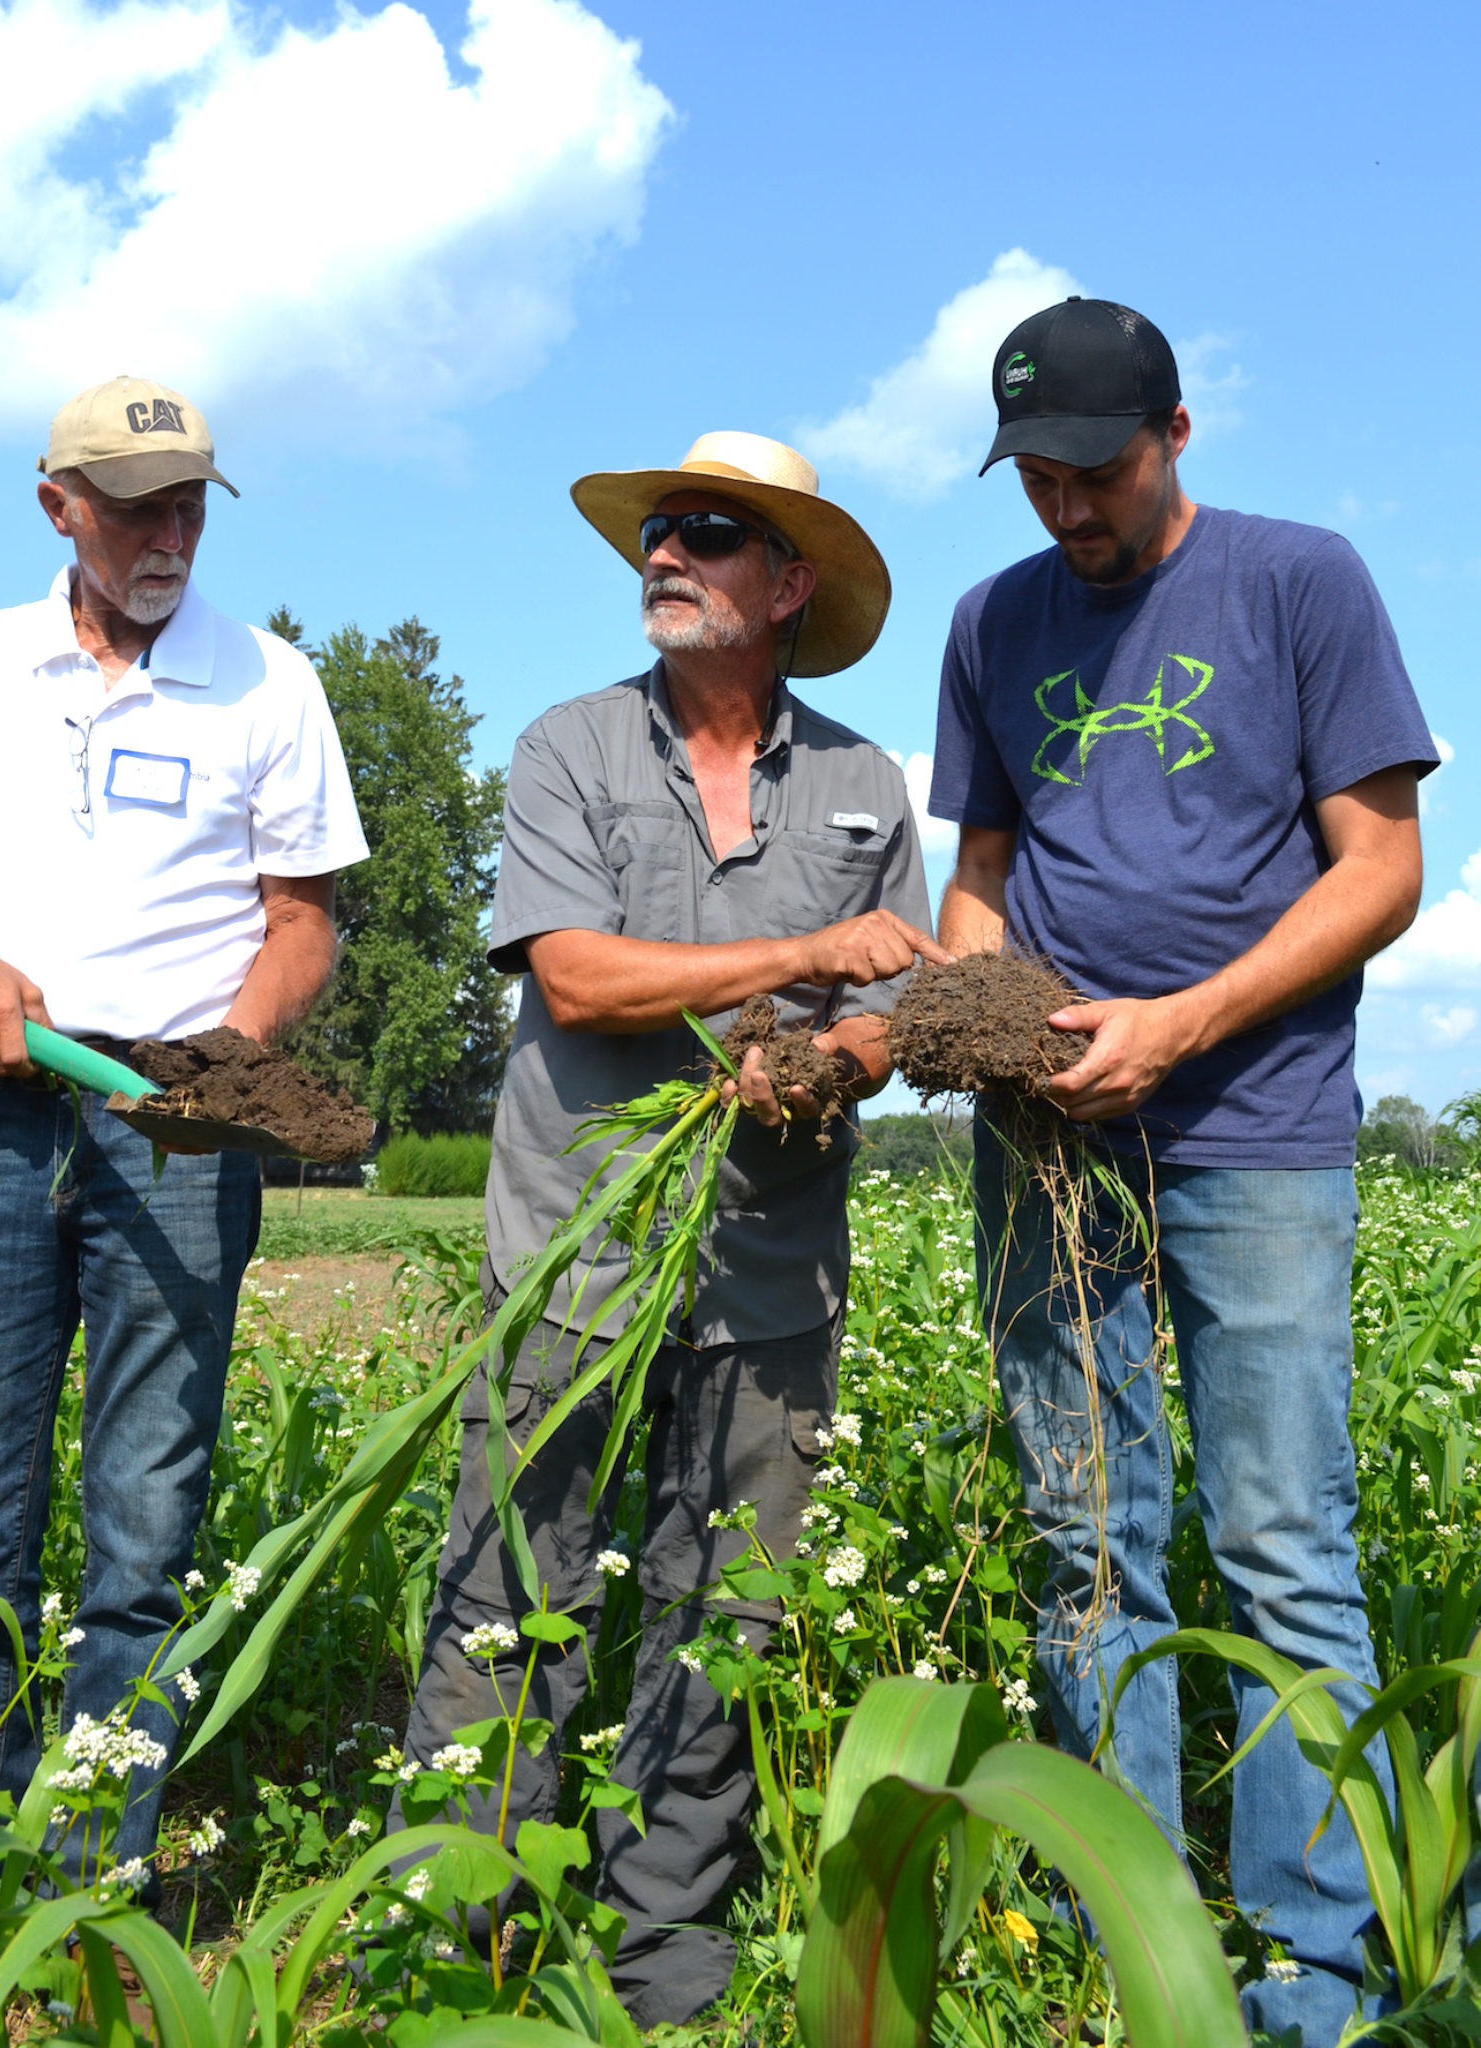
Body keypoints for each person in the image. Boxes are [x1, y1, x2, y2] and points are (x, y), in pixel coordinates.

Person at [929, 297, 1436, 2043]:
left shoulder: (1302, 583)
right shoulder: (990, 619)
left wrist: (1183, 1019)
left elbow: (1379, 869)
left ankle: (1321, 1963)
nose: (1065, 507)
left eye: (1095, 469)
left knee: (1282, 1535)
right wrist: (972, 1015)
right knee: (1084, 1532)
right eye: (1035, 477)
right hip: (1047, 1144)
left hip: (1255, 1124)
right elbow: (982, 873)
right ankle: (1132, 1932)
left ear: (1175, 434)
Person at [396, 431, 942, 2026]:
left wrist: (836, 1055)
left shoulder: (861, 785)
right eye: (656, 530)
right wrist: (798, 958)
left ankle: (667, 1946)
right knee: (507, 1588)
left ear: (787, 584)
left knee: (724, 1607)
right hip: (577, 1253)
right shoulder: (569, 746)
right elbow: (575, 975)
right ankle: (456, 1921)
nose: (665, 554)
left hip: (769, 1271)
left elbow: (896, 1006)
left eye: (706, 534)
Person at [0, 376, 367, 1889]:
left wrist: (230, 1063)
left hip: (179, 1132)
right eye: (138, 504)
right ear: (55, 503)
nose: (171, 533)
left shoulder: (268, 682)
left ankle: (89, 1864)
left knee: (146, 1511)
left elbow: (302, 923)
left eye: (192, 502)